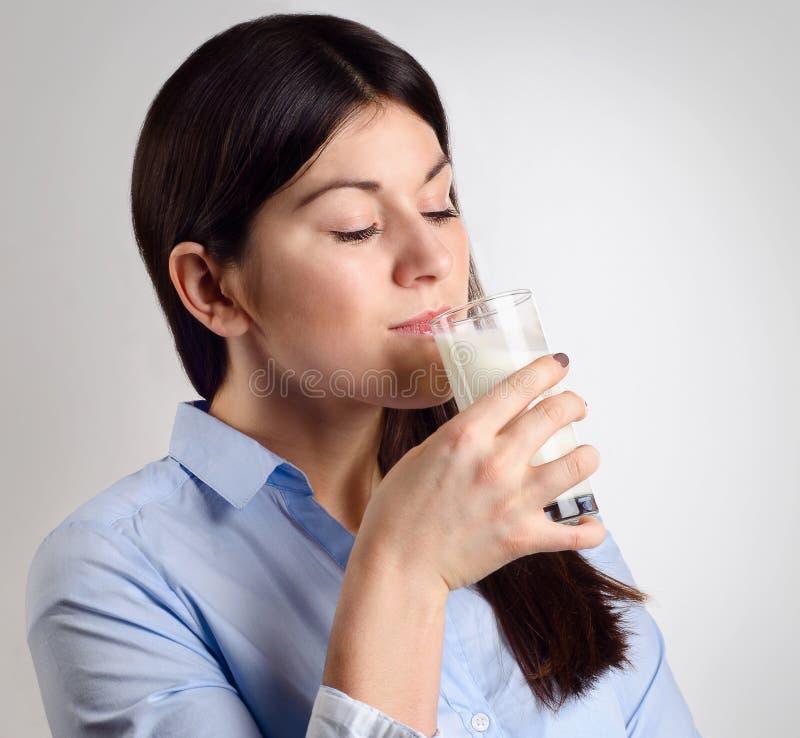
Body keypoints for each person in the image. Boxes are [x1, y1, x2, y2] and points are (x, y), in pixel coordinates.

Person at [26, 12, 702, 738]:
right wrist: (403, 571)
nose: (433, 260)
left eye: (439, 206)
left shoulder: (526, 494)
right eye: (357, 226)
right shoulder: (112, 572)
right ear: (212, 287)